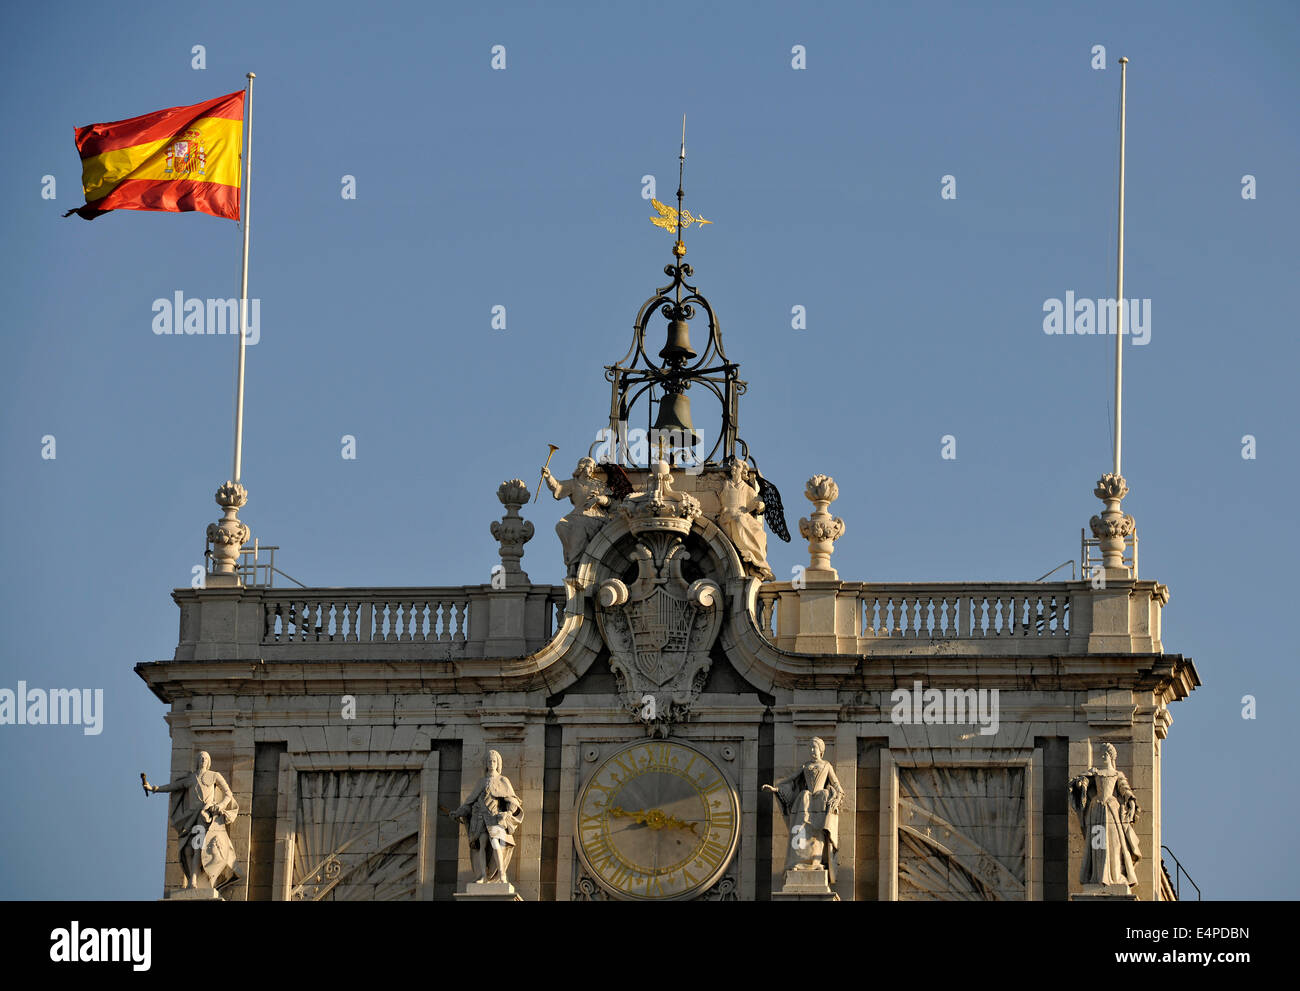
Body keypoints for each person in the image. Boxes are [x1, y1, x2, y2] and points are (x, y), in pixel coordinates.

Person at [143, 750, 241, 891]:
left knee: (197, 847)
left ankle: (194, 880)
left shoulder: (214, 776)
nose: (203, 760)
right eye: (201, 758)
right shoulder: (191, 778)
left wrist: (219, 806)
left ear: (209, 762)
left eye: (205, 758)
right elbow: (173, 787)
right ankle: (192, 878)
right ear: (197, 761)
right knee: (188, 849)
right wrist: (154, 788)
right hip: (190, 818)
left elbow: (228, 794)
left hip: (205, 816)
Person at [762, 737, 843, 882]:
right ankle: (799, 862)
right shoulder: (805, 766)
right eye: (810, 748)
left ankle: (815, 862)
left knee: (817, 834)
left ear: (821, 750)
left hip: (820, 801)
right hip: (805, 801)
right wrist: (775, 788)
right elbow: (791, 778)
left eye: (815, 748)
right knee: (799, 831)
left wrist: (837, 797)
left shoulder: (826, 765)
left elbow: (837, 785)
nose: (812, 750)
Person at [1068, 741, 1141, 887]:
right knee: (1098, 843)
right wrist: (1081, 784)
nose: (1102, 756)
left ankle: (1114, 876)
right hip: (1096, 810)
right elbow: (1077, 782)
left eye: (1105, 754)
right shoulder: (1095, 772)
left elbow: (1125, 790)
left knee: (1114, 843)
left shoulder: (1116, 774)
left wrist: (1132, 803)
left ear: (1111, 756)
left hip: (1111, 810)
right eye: (1101, 754)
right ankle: (1097, 876)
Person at [451, 750, 524, 884]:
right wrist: (459, 812)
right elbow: (470, 801)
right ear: (485, 763)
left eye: (494, 761)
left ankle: (502, 875)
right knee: (482, 845)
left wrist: (507, 813)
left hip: (494, 818)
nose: (491, 764)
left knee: (496, 843)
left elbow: (513, 801)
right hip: (480, 819)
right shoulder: (481, 782)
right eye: (489, 761)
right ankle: (483, 875)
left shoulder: (502, 780)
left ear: (498, 763)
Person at [542, 457, 611, 577]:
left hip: (594, 516)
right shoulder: (573, 483)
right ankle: (572, 561)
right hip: (578, 514)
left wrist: (597, 499)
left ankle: (574, 565)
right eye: (589, 467)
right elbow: (557, 487)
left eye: (592, 468)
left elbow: (609, 501)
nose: (591, 470)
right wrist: (548, 476)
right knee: (561, 526)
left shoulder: (597, 484)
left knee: (579, 529)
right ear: (582, 467)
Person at [718, 460, 774, 580]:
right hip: (728, 516)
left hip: (741, 514)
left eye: (737, 466)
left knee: (760, 533)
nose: (733, 468)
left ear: (742, 470)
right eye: (733, 466)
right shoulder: (725, 484)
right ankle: (750, 553)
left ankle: (758, 560)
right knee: (739, 520)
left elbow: (757, 501)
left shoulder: (746, 488)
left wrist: (760, 506)